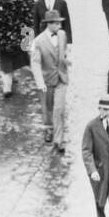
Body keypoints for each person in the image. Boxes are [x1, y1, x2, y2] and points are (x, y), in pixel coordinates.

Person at [30, 10, 70, 152]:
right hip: (47, 81)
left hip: (61, 79)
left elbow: (63, 52)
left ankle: (59, 140)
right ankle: (48, 129)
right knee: (48, 108)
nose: (59, 25)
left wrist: (66, 61)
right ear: (49, 24)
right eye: (56, 23)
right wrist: (40, 83)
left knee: (59, 109)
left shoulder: (62, 35)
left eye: (59, 22)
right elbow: (35, 63)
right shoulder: (38, 41)